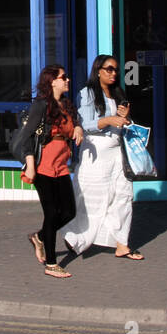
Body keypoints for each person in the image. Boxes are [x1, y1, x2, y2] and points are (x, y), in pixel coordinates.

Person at [63, 54, 143, 261]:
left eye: (116, 70)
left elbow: (123, 124)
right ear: (98, 70)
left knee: (123, 196)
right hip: (96, 153)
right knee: (92, 200)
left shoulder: (117, 93)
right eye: (109, 69)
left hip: (117, 152)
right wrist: (108, 119)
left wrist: (124, 117)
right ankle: (75, 238)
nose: (113, 73)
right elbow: (85, 124)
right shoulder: (87, 93)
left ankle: (121, 244)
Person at [10, 65, 83, 278]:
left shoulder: (67, 105)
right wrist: (30, 165)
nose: (67, 80)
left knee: (69, 211)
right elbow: (27, 137)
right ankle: (51, 264)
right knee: (51, 213)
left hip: (61, 166)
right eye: (63, 77)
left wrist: (78, 127)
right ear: (52, 81)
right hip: (43, 166)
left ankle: (39, 237)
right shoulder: (41, 106)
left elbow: (74, 124)